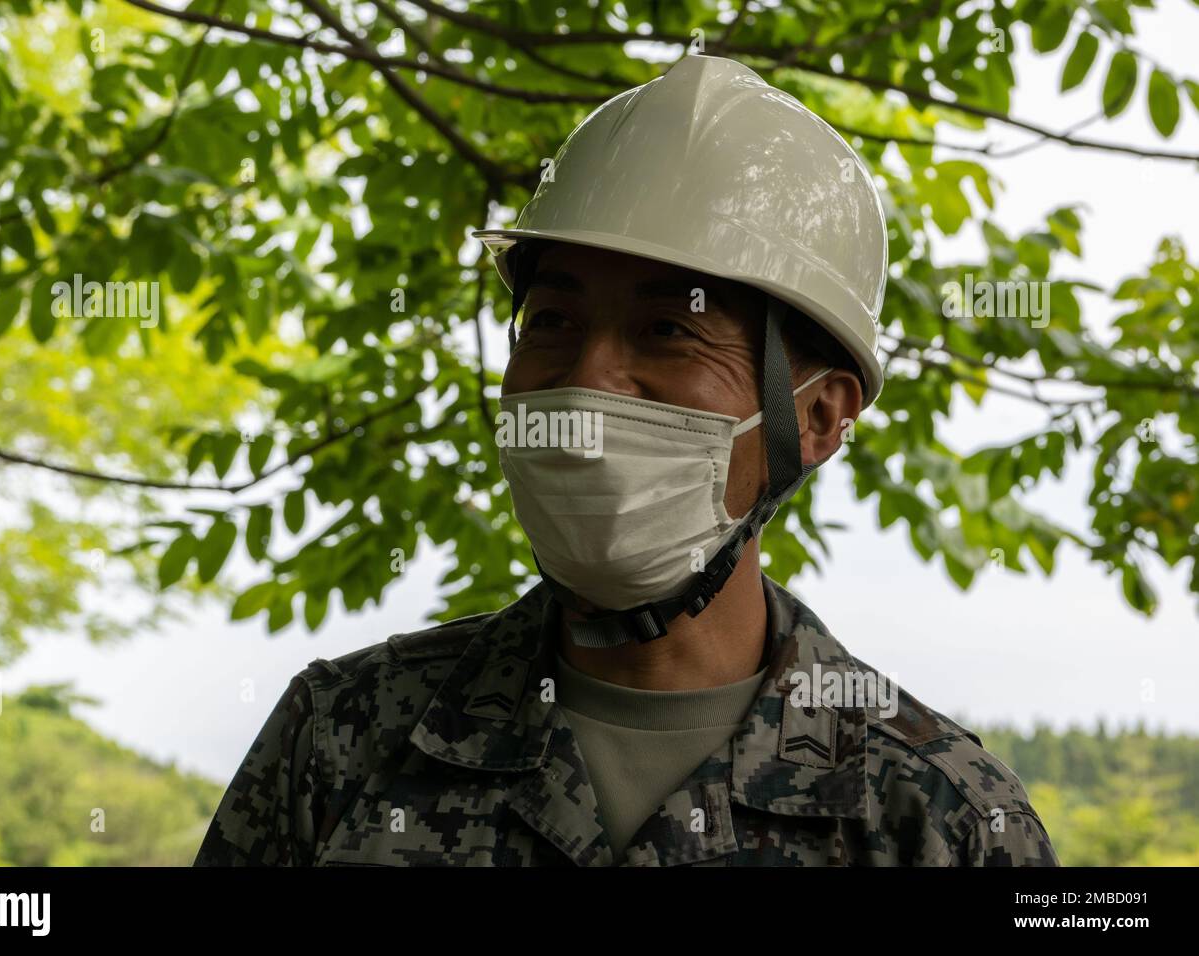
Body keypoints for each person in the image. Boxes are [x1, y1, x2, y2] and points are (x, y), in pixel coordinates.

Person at [195, 54, 1058, 867]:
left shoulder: (942, 820)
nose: (586, 384)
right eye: (552, 325)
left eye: (670, 331)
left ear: (821, 415)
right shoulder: (343, 743)